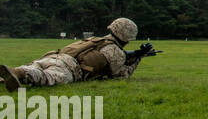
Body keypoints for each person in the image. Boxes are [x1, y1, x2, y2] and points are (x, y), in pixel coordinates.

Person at [1, 18, 147, 90]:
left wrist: (133, 55)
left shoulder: (95, 40)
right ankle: (19, 72)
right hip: (69, 67)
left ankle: (6, 76)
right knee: (47, 77)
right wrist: (138, 58)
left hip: (53, 56)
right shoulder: (115, 52)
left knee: (37, 67)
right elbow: (121, 76)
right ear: (126, 38)